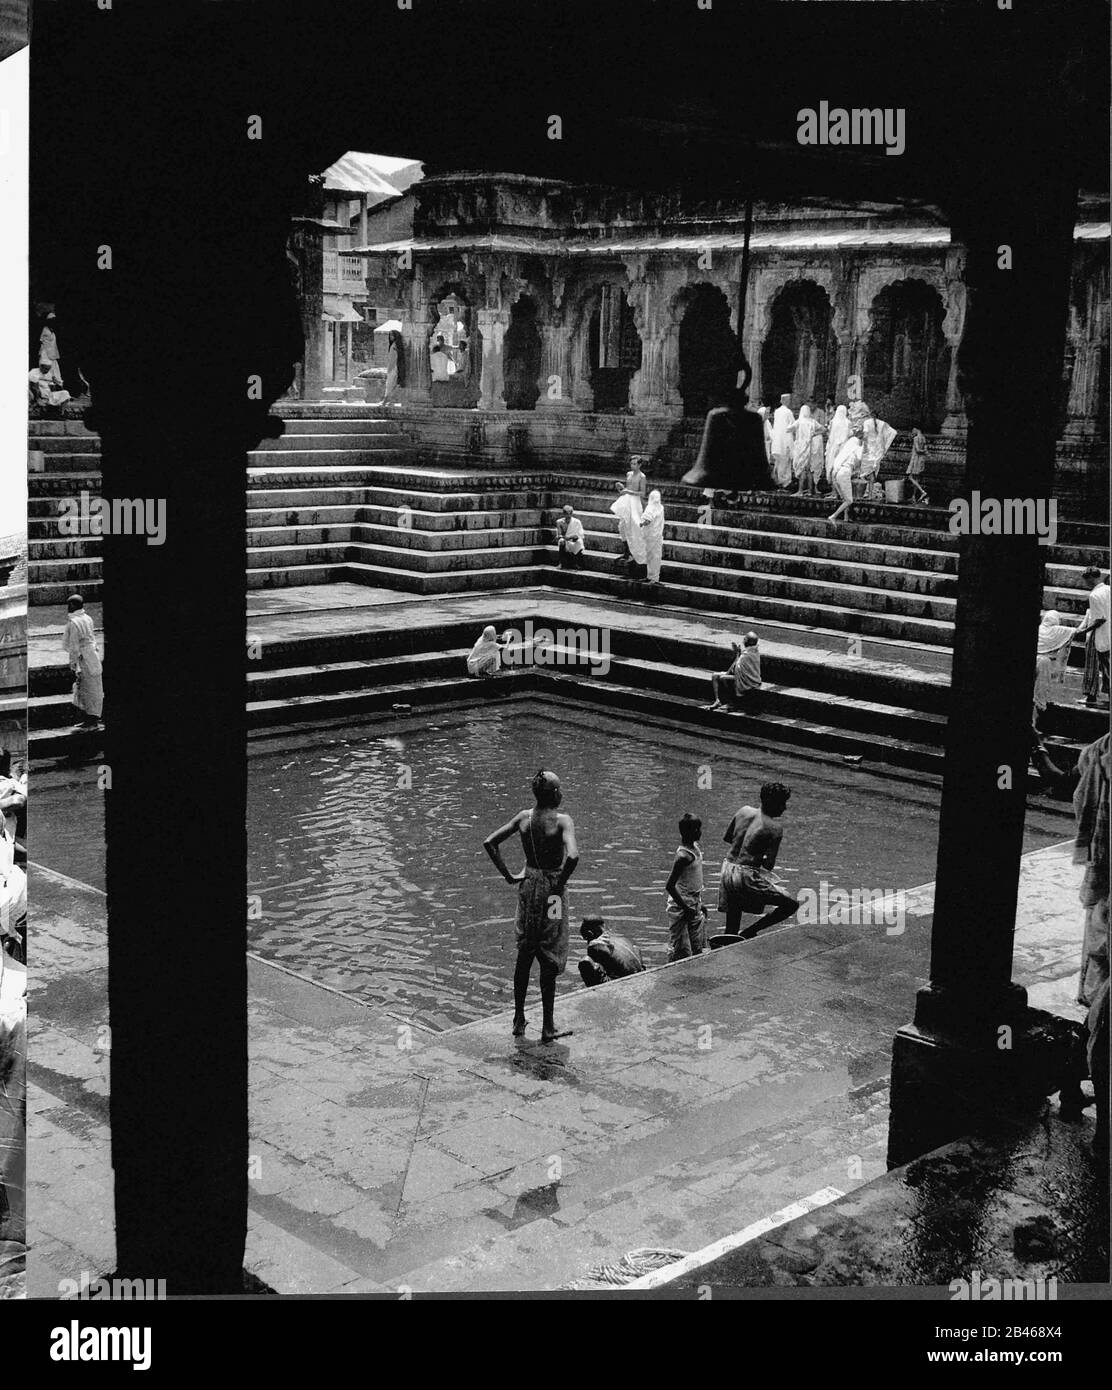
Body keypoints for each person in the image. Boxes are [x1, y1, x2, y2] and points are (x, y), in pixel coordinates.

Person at [483, 769, 579, 1042]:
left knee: (525, 951)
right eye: (559, 790)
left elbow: (490, 843)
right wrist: (560, 883)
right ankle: (547, 1026)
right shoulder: (563, 821)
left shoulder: (524, 818)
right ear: (552, 795)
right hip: (552, 895)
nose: (562, 793)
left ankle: (518, 1018)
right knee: (550, 953)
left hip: (527, 887)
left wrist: (508, 875)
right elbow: (573, 856)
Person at [715, 781, 800, 941]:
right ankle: (749, 932)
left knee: (733, 916)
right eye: (782, 803)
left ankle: (729, 941)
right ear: (772, 802)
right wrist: (759, 854)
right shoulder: (775, 828)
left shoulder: (743, 811)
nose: (784, 808)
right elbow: (769, 865)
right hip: (746, 875)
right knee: (791, 904)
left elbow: (728, 838)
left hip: (727, 869)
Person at [665, 813, 707, 960]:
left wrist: (699, 904)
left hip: (693, 903)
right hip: (681, 906)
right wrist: (685, 907)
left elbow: (693, 880)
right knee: (680, 949)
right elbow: (669, 886)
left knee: (697, 946)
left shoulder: (695, 848)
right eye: (696, 829)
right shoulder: (683, 856)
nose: (700, 832)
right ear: (688, 832)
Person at [62, 595, 103, 730]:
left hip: (84, 659)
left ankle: (91, 721)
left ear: (73, 606)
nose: (68, 607)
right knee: (93, 689)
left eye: (69, 605)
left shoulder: (74, 623)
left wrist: (73, 664)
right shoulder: (88, 618)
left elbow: (74, 647)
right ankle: (91, 719)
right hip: (94, 657)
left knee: (87, 689)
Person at [577, 916, 645, 987]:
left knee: (585, 962)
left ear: (590, 933)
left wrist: (591, 946)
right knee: (635, 948)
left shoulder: (594, 946)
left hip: (624, 984)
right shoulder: (621, 939)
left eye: (586, 938)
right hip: (639, 974)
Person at [709, 631, 762, 710]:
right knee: (715, 676)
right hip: (744, 678)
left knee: (723, 678)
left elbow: (731, 671)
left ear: (747, 641)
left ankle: (733, 703)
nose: (743, 641)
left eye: (744, 639)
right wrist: (738, 654)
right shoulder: (753, 651)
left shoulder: (746, 656)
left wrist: (737, 654)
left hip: (748, 682)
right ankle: (718, 700)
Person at [610, 459, 648, 571]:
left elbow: (642, 493)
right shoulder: (629, 474)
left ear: (640, 465)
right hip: (626, 501)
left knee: (634, 528)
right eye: (631, 464)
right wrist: (622, 489)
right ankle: (626, 551)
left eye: (635, 464)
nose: (632, 466)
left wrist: (628, 492)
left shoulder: (642, 476)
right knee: (622, 526)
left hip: (635, 502)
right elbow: (626, 489)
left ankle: (636, 554)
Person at [1082, 566, 1110, 705]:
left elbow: (1100, 619)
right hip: (1109, 634)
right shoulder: (1108, 589)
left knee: (1094, 666)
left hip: (1099, 634)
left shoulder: (1094, 595)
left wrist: (1084, 631)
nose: (1086, 583)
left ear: (1091, 578)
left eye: (1086, 580)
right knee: (1107, 668)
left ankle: (1091, 696)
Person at [827, 426, 864, 524]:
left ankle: (846, 517)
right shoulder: (856, 448)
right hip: (844, 473)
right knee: (849, 500)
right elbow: (860, 458)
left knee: (845, 498)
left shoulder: (845, 452)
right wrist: (864, 446)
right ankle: (833, 516)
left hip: (838, 474)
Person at [770, 394, 796, 489]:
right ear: (785, 401)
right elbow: (793, 425)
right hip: (785, 440)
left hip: (777, 440)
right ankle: (784, 482)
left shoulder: (777, 412)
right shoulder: (788, 412)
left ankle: (778, 480)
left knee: (779, 462)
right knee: (784, 462)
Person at [639, 489, 665, 584]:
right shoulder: (660, 507)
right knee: (655, 557)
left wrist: (639, 524)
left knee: (650, 557)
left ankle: (652, 577)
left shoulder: (650, 507)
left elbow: (647, 520)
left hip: (650, 535)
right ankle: (652, 577)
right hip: (656, 536)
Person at [791, 404, 817, 495]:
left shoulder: (799, 421)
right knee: (809, 469)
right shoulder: (812, 421)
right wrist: (813, 434)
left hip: (801, 447)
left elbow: (788, 429)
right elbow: (823, 429)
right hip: (809, 446)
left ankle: (800, 490)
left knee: (801, 468)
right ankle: (810, 491)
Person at [824, 404, 851, 483]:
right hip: (844, 448)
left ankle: (833, 491)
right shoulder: (848, 422)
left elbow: (829, 434)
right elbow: (850, 434)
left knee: (832, 466)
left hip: (833, 447)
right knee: (840, 468)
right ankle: (838, 491)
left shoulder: (833, 422)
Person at [556, 504, 585, 570]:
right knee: (561, 541)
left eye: (570, 513)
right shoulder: (559, 522)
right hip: (565, 540)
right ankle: (561, 563)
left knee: (579, 542)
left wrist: (572, 537)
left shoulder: (577, 522)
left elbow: (580, 535)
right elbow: (559, 534)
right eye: (566, 513)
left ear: (572, 513)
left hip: (573, 540)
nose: (568, 516)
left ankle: (576, 563)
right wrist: (564, 537)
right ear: (563, 514)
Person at [906, 425, 930, 503]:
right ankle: (913, 497)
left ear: (917, 429)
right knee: (916, 479)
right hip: (921, 459)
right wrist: (926, 453)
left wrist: (922, 451)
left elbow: (918, 449)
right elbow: (925, 450)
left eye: (913, 429)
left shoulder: (916, 438)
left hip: (915, 459)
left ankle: (922, 492)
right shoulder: (923, 438)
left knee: (910, 477)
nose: (913, 431)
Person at [382, 329, 404, 406]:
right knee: (390, 385)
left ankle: (385, 401)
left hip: (394, 368)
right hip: (391, 367)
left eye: (392, 335)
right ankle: (389, 401)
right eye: (390, 335)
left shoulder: (395, 346)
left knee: (390, 385)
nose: (391, 337)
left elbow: (397, 358)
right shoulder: (393, 345)